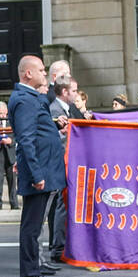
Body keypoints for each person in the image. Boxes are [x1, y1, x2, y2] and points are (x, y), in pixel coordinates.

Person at [9, 54, 64, 277]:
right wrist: (36, 174)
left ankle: (34, 270)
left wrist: (54, 124)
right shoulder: (24, 100)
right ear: (28, 73)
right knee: (31, 228)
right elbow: (26, 139)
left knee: (34, 226)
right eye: (41, 70)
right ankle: (30, 275)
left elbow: (36, 129)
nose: (44, 73)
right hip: (38, 173)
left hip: (43, 169)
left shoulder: (30, 97)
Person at [47, 79, 79, 256]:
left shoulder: (69, 109)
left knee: (64, 205)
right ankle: (58, 247)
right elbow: (52, 139)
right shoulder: (55, 110)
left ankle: (62, 245)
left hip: (69, 163)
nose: (76, 94)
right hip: (61, 164)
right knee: (61, 205)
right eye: (74, 91)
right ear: (65, 92)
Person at [0, 100, 17, 210]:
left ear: (7, 112)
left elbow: (18, 135)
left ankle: (14, 203)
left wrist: (11, 141)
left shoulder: (12, 121)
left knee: (12, 180)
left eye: (3, 113)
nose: (1, 116)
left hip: (10, 152)